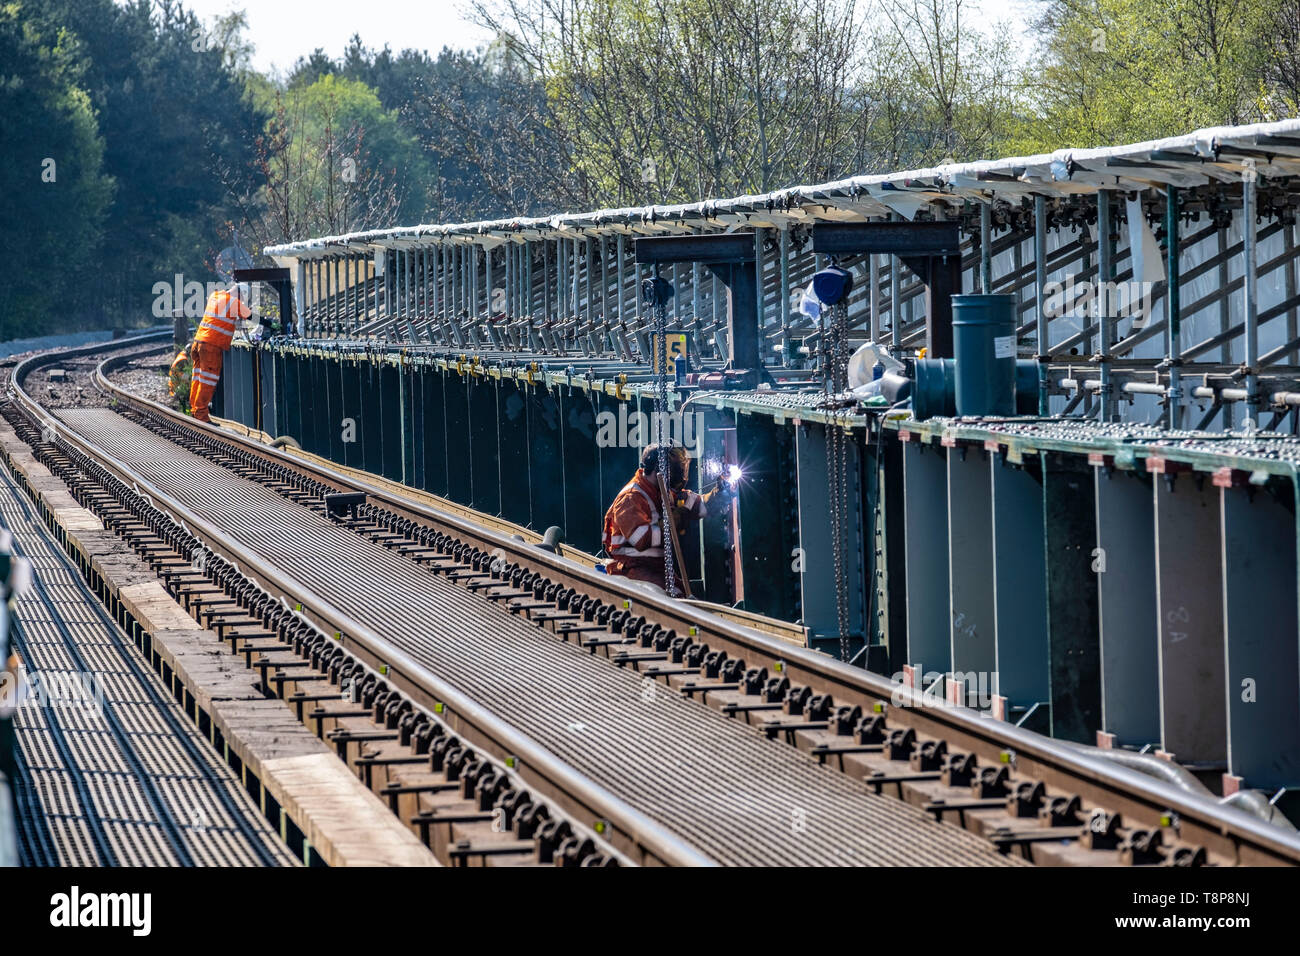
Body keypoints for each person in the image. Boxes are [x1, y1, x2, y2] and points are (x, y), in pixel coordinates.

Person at [602, 443, 726, 593]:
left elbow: (701, 506)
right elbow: (641, 539)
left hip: (657, 568)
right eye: (675, 468)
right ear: (658, 469)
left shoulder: (663, 491)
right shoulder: (631, 497)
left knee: (681, 596)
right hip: (634, 569)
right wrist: (678, 516)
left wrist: (720, 493)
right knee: (673, 600)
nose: (679, 474)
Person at [189, 283, 251, 422]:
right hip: (211, 347)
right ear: (241, 294)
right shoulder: (234, 302)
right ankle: (201, 415)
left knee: (198, 378)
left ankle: (194, 409)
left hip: (198, 342)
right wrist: (271, 323)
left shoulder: (215, 295)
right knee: (207, 380)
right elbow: (250, 315)